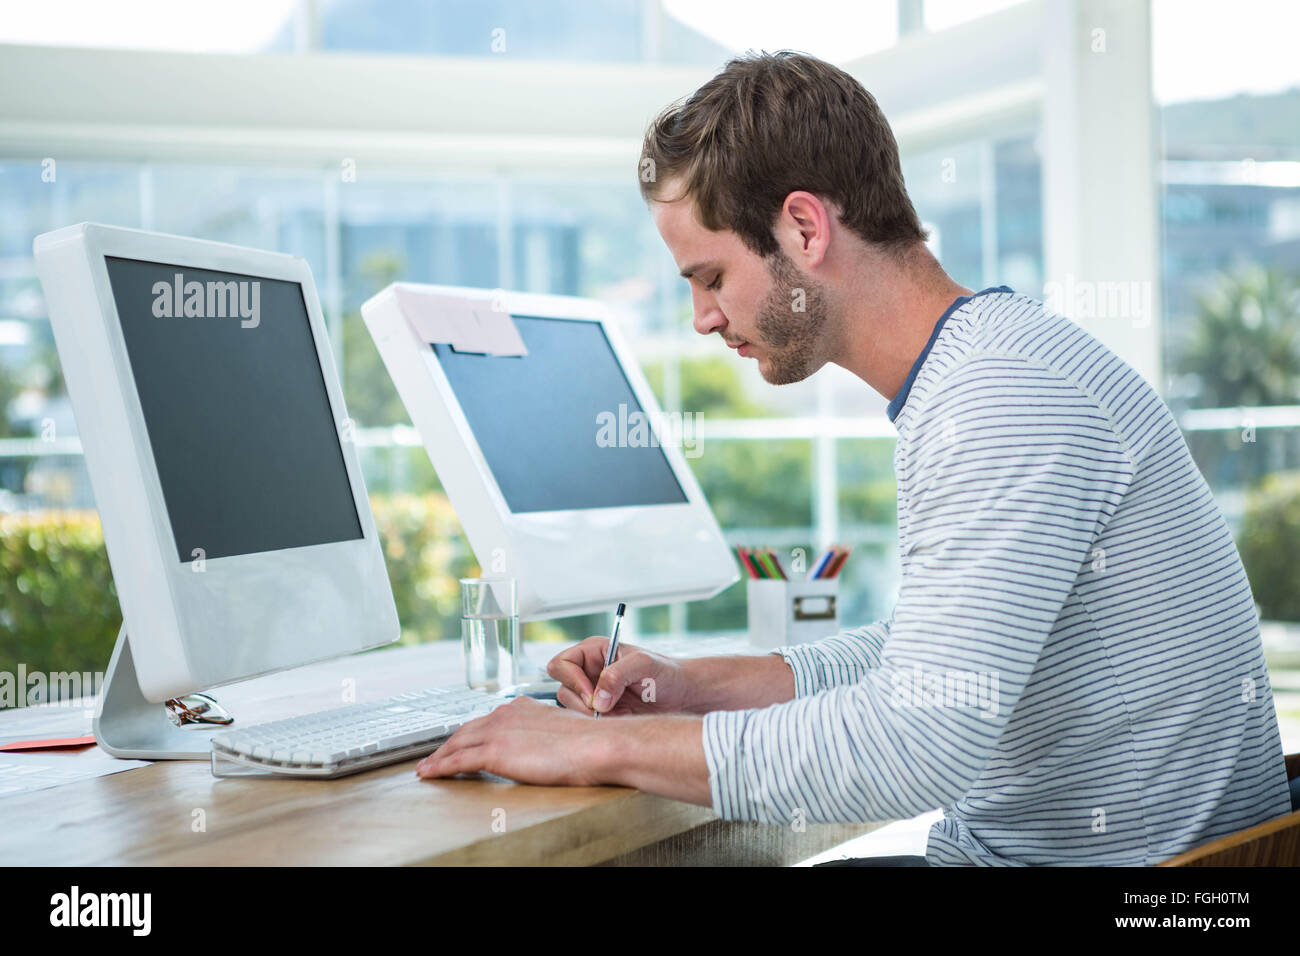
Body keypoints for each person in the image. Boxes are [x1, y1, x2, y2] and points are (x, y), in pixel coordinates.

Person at [417, 50, 1293, 865]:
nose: (703, 320)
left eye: (711, 277)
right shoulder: (987, 365)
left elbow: (913, 743)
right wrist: (692, 688)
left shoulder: (999, 398)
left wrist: (598, 744)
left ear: (803, 228)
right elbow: (934, 664)